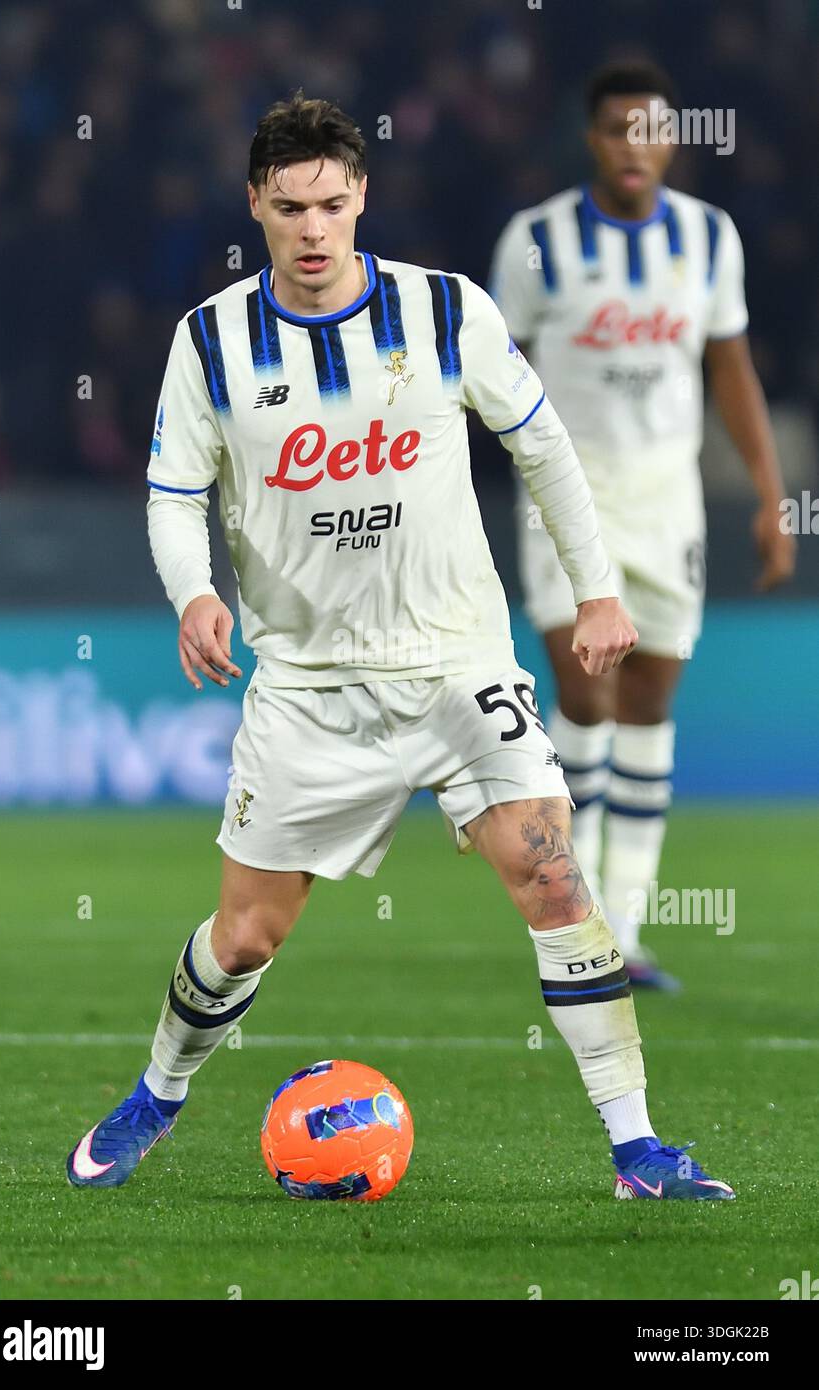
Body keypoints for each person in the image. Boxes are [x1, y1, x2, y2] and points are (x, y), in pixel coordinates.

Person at [67, 92, 733, 1201]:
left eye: (332, 203)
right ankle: (159, 1092)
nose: (315, 228)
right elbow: (173, 495)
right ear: (256, 206)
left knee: (554, 880)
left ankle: (634, 1147)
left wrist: (597, 589)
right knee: (243, 935)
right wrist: (193, 593)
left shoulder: (444, 311)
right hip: (310, 688)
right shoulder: (210, 341)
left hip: (458, 665)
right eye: (290, 209)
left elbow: (543, 447)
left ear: (361, 194)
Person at [489, 61, 794, 990]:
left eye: (652, 129)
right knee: (584, 697)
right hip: (564, 495)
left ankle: (624, 928)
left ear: (672, 139)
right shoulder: (536, 240)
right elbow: (488, 374)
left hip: (669, 503)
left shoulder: (709, 239)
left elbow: (730, 369)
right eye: (618, 128)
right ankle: (571, 920)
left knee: (652, 703)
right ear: (594, 140)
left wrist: (771, 495)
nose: (636, 145)